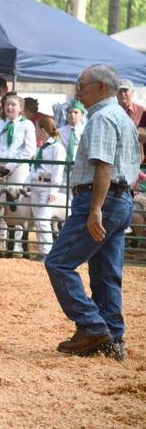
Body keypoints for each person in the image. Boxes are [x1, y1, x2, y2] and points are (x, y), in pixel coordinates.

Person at [44, 64, 140, 362]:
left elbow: (104, 167)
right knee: (106, 274)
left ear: (99, 86)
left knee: (58, 263)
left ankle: (92, 327)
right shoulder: (122, 117)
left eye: (82, 85)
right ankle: (113, 339)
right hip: (122, 200)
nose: (78, 91)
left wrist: (95, 209)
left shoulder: (101, 118)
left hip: (100, 200)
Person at [28, 118, 67, 260]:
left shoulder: (57, 147)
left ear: (43, 130)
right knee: (38, 220)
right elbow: (34, 168)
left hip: (47, 186)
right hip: (36, 185)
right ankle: (41, 250)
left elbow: (58, 171)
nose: (36, 132)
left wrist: (53, 191)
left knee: (43, 219)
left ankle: (47, 252)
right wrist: (27, 183)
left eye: (37, 129)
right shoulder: (41, 147)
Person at [0, 93, 37, 188]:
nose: (9, 107)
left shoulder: (27, 124)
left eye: (13, 105)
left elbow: (30, 150)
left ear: (20, 108)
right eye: (7, 104)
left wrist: (11, 165)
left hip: (18, 167)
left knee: (12, 195)